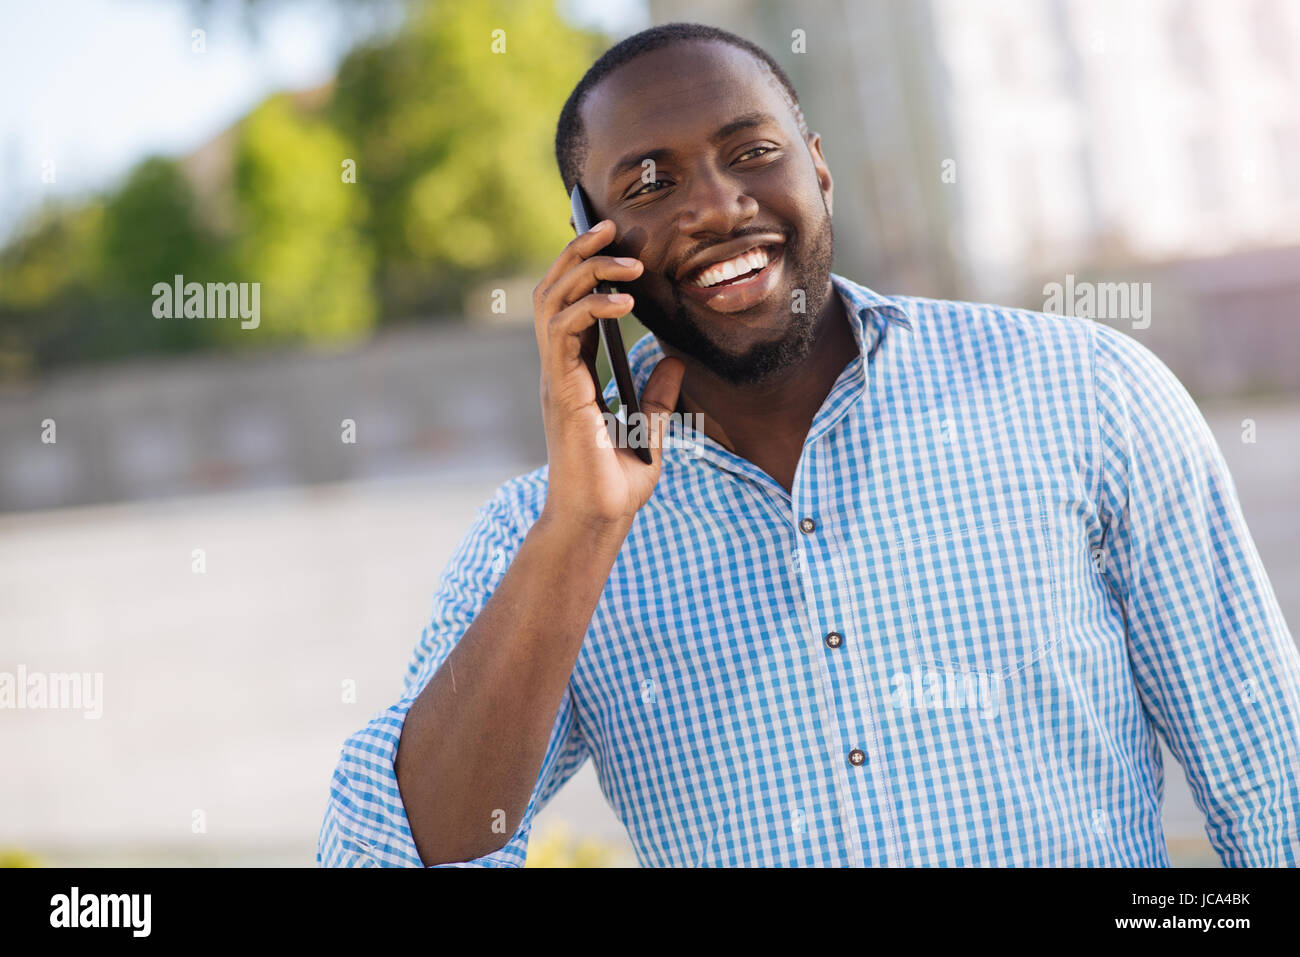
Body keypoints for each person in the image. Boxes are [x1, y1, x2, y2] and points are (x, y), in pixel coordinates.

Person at [317, 22, 1300, 867]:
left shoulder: (1087, 397)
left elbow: (1269, 781)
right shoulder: (539, 537)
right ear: (591, 242)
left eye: (750, 153)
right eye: (649, 183)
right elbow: (397, 851)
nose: (714, 205)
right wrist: (580, 532)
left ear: (817, 167)